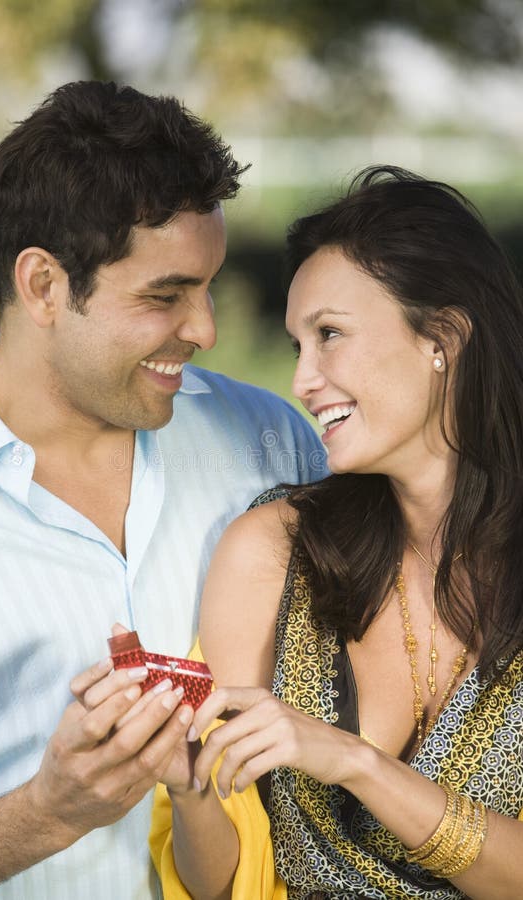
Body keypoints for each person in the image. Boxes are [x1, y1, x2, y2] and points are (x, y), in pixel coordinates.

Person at [0, 80, 325, 899]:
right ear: (43, 285)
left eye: (206, 288)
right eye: (164, 296)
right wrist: (48, 813)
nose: (205, 329)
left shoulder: (271, 442)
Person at [150, 166, 523, 899]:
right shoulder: (272, 551)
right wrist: (191, 792)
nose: (303, 381)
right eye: (298, 346)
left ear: (443, 337)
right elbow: (223, 884)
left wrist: (355, 762)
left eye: (329, 335)